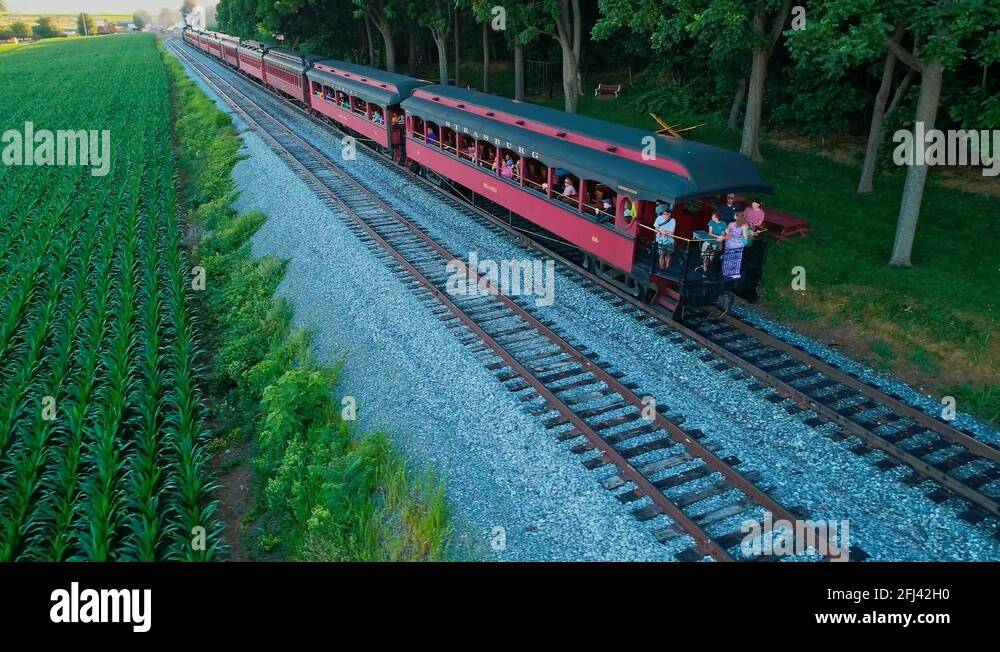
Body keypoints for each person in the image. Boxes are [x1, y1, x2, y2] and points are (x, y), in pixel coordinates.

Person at [722, 213, 751, 278]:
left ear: (736, 217)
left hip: (729, 243)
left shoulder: (730, 224)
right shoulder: (744, 225)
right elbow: (745, 236)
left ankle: (726, 272)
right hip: (738, 244)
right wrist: (745, 243)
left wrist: (727, 239)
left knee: (728, 257)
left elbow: (728, 234)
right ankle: (735, 273)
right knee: (737, 258)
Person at [654, 205, 676, 271]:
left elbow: (671, 233)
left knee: (668, 255)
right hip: (661, 240)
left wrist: (662, 231)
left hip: (670, 241)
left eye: (668, 214)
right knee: (661, 255)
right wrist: (661, 230)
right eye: (665, 214)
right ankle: (661, 268)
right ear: (662, 214)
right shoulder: (659, 218)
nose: (667, 216)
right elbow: (656, 228)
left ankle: (666, 267)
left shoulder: (673, 220)